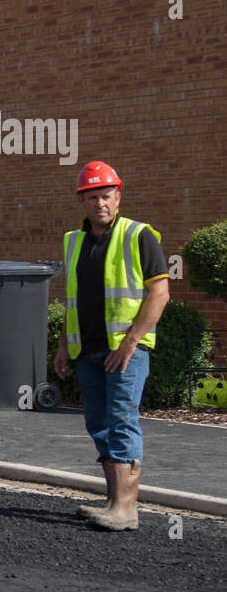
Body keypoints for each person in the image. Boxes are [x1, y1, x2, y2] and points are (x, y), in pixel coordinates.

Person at [53, 161, 168, 531]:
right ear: (81, 201)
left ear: (118, 197)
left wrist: (130, 342)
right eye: (92, 197)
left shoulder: (139, 235)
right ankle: (112, 500)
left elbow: (160, 292)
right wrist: (62, 347)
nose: (100, 203)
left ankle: (126, 509)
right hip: (86, 351)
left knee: (121, 421)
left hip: (125, 352)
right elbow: (72, 301)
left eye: (106, 195)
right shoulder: (74, 241)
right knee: (99, 423)